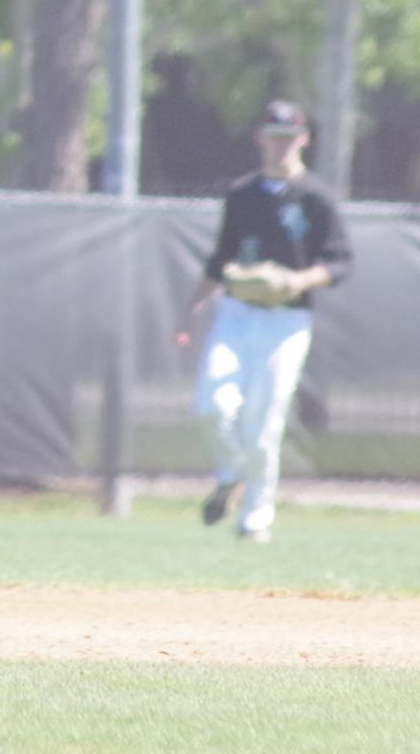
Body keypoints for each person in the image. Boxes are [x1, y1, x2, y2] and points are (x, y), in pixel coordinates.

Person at [176, 99, 354, 542]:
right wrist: (191, 308)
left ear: (304, 140)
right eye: (274, 137)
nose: (281, 146)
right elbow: (222, 257)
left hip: (286, 322)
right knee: (211, 406)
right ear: (260, 139)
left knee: (263, 422)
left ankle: (256, 516)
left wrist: (298, 281)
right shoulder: (242, 195)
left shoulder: (315, 198)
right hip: (237, 313)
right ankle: (231, 472)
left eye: (289, 137)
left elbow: (340, 261)